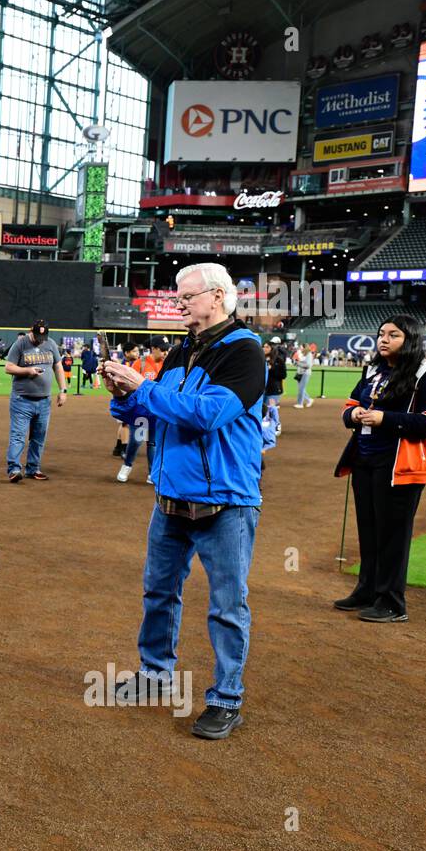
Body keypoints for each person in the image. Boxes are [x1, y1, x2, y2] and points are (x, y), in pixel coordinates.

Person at [102, 262, 265, 741]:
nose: (179, 305)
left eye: (186, 297)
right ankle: (155, 677)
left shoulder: (245, 352)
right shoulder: (179, 353)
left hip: (227, 502)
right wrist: (124, 397)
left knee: (227, 606)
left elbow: (209, 415)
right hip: (171, 497)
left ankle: (226, 698)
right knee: (158, 591)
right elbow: (148, 413)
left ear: (216, 297)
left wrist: (144, 389)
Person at [333, 315, 426, 623]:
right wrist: (355, 413)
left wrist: (385, 419)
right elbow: (348, 407)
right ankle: (368, 589)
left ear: (409, 339)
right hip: (365, 459)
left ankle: (392, 602)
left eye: (393, 335)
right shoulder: (372, 370)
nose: (383, 339)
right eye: (381, 334)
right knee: (369, 529)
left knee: (393, 535)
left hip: (401, 465)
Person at [3, 319, 66, 482]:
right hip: (22, 400)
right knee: (18, 435)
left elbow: (58, 366)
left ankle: (33, 468)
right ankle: (14, 469)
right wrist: (27, 370)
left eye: (43, 336)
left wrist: (63, 390)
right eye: (38, 335)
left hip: (44, 401)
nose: (40, 339)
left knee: (39, 436)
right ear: (31, 331)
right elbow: (8, 367)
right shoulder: (20, 344)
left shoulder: (50, 344)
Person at [117, 337, 166, 483]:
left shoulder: (167, 364)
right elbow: (128, 382)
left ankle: (152, 473)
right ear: (154, 348)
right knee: (137, 440)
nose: (165, 352)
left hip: (157, 411)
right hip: (141, 411)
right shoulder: (141, 363)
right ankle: (126, 465)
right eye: (162, 349)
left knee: (153, 443)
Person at [263, 337, 287, 436]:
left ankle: (277, 426)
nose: (264, 348)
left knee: (272, 408)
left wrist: (272, 369)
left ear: (271, 348)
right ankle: (265, 427)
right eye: (263, 347)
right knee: (263, 409)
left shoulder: (278, 360)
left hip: (274, 389)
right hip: (263, 389)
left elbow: (283, 375)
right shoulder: (261, 358)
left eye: (267, 347)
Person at [293, 343, 315, 408]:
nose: (300, 348)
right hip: (300, 373)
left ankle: (300, 404)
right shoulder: (303, 354)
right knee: (301, 388)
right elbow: (303, 363)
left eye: (301, 347)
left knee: (301, 389)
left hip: (305, 373)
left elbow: (308, 365)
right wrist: (297, 362)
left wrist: (298, 364)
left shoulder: (309, 354)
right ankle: (309, 400)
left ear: (305, 348)